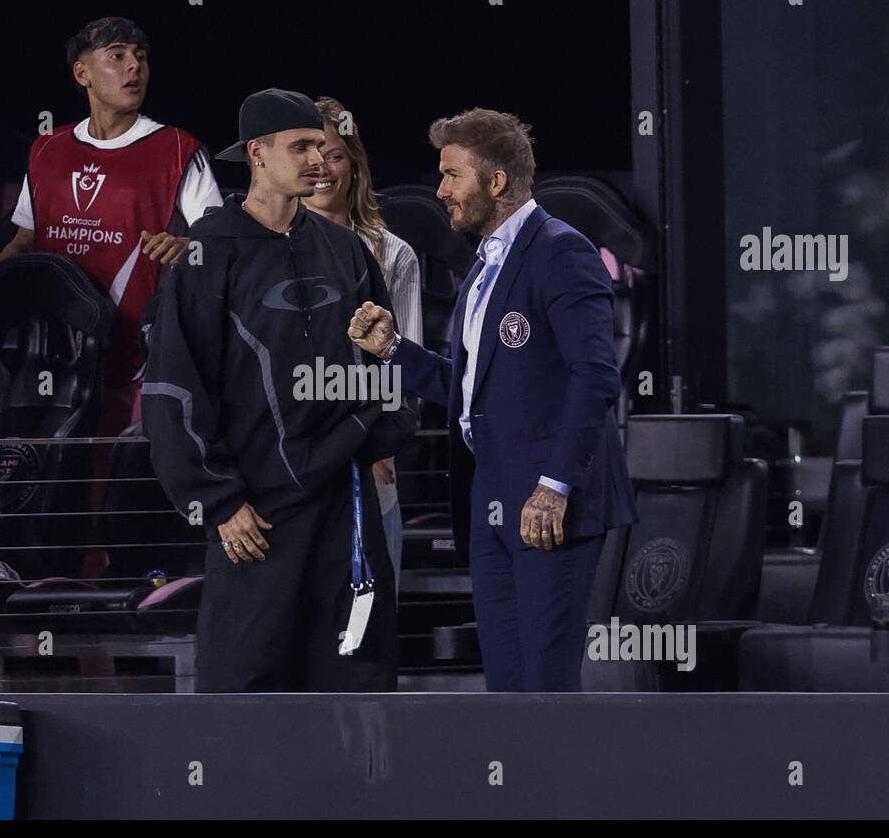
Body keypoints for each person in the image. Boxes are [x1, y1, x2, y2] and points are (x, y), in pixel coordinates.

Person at [349, 108, 638, 692]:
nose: (441, 192)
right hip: (493, 497)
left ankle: (560, 786)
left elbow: (595, 377)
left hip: (547, 500)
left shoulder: (561, 250)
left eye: (452, 176)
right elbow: (472, 388)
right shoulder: (483, 262)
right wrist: (394, 351)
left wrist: (554, 486)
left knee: (545, 683)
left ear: (497, 181)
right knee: (505, 684)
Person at [142, 88, 416, 692]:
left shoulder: (346, 251)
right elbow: (173, 389)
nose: (318, 159)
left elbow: (387, 362)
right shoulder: (208, 252)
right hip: (255, 514)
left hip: (344, 504)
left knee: (354, 679)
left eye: (322, 146)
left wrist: (382, 429)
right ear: (257, 154)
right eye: (301, 147)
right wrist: (216, 501)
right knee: (245, 681)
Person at [0, 16, 221, 442]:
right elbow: (27, 237)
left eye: (141, 58)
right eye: (117, 56)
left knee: (112, 484)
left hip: (132, 352)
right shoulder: (47, 148)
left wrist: (184, 244)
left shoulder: (177, 148)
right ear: (82, 73)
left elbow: (215, 240)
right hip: (47, 349)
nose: (134, 67)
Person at [303, 96, 422, 596]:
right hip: (287, 467)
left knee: (369, 624)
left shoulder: (394, 254)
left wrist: (379, 445)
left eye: (333, 154)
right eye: (308, 153)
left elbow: (407, 365)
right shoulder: (258, 250)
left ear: (354, 163)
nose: (321, 168)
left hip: (368, 465)